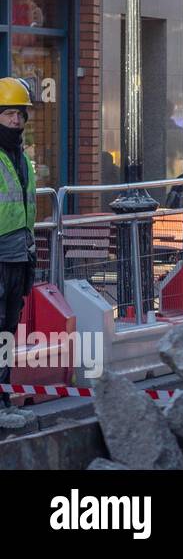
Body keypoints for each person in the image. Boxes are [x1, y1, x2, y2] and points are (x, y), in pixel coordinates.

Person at [0, 79, 36, 422]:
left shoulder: (21, 159)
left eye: (20, 114)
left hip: (18, 255)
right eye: (9, 113)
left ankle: (2, 397)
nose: (15, 120)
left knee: (7, 330)